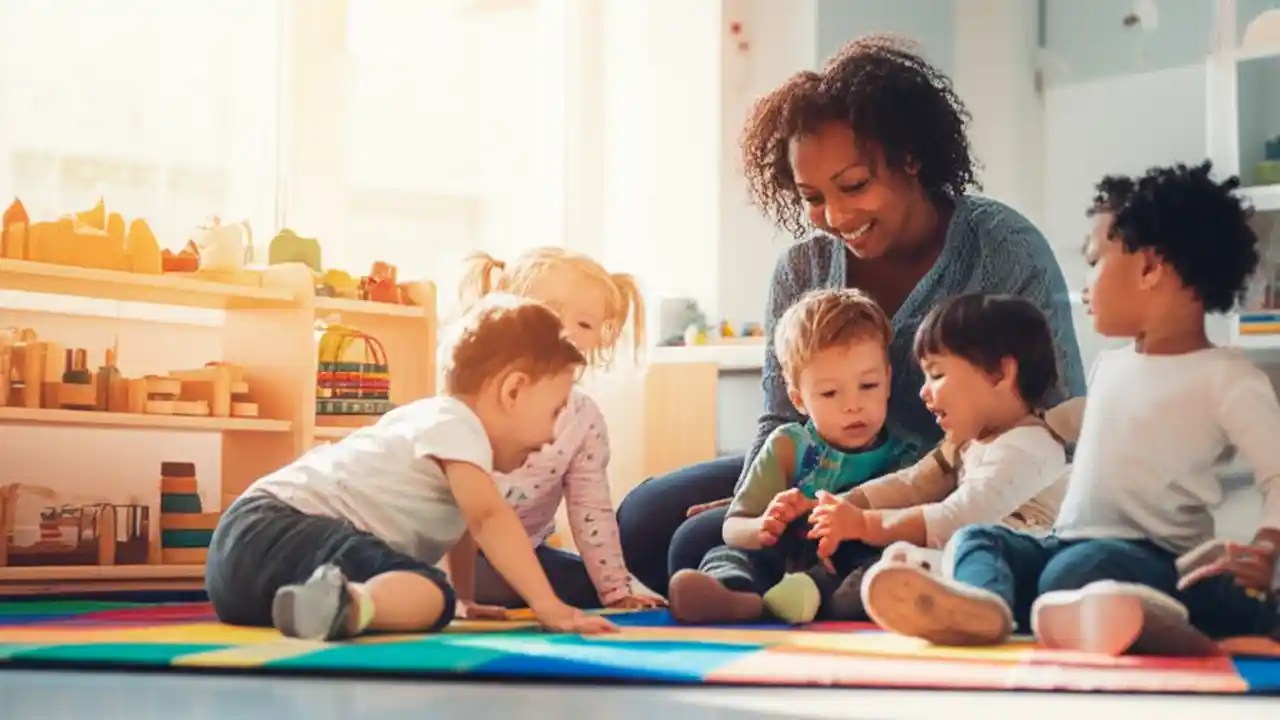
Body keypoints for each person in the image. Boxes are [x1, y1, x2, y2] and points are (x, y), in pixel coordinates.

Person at [617, 33, 1085, 598]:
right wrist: (754, 500)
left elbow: (1055, 413)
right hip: (821, 465)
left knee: (695, 544)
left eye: (855, 186)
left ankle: (822, 585)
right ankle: (792, 587)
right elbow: (778, 420)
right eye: (812, 196)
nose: (835, 216)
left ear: (911, 158)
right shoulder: (802, 268)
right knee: (646, 520)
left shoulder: (1002, 247)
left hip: (946, 477)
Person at [862, 161, 1280, 655]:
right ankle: (980, 608)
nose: (1084, 285)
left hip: (1156, 553)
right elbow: (1058, 430)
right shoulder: (1110, 366)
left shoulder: (1225, 377)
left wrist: (1268, 551)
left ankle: (1177, 616)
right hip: (1067, 538)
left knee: (1074, 572)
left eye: (1094, 260)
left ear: (1150, 267)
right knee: (979, 539)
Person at [205, 295, 618, 640]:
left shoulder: (437, 427)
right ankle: (347, 606)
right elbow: (488, 517)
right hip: (282, 526)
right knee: (427, 591)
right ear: (513, 390)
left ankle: (315, 605)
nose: (552, 435)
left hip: (238, 558)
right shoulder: (459, 424)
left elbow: (462, 527)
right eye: (554, 411)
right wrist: (548, 606)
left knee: (440, 594)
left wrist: (464, 598)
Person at [667, 289, 918, 624]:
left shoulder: (908, 455)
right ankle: (738, 599)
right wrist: (763, 527)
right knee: (725, 556)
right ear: (799, 399)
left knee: (886, 568)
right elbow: (734, 526)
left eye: (868, 385)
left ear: (887, 381)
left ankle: (798, 605)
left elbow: (911, 526)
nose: (853, 405)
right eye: (829, 393)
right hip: (780, 563)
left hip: (846, 569)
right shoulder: (788, 446)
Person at [805, 294, 1070, 605]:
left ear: (1000, 374)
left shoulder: (1029, 446)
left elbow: (959, 518)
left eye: (937, 374)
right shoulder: (969, 442)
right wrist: (836, 507)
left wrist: (864, 524)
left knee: (956, 548)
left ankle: (977, 610)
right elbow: (912, 483)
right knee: (869, 554)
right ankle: (808, 585)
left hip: (1016, 569)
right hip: (958, 554)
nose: (923, 391)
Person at [455, 247, 663, 610]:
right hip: (451, 551)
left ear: (600, 338)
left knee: (585, 584)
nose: (563, 331)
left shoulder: (583, 419)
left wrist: (616, 590)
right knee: (433, 580)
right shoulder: (471, 398)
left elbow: (590, 507)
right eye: (547, 313)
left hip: (525, 557)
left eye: (584, 324)